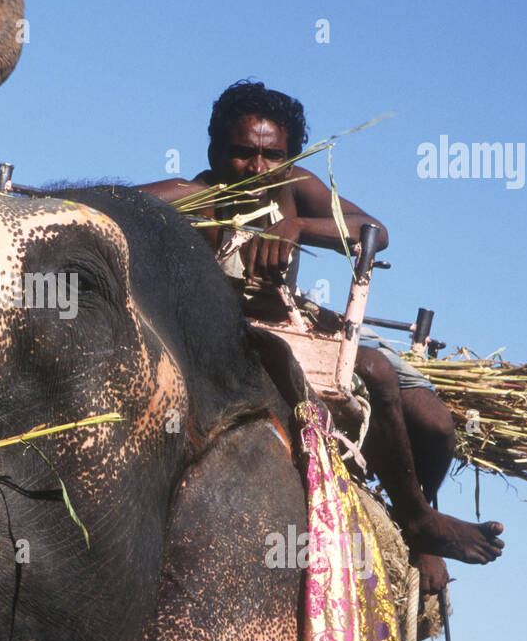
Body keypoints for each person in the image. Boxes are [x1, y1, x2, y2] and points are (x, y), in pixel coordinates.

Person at [159, 80, 504, 594]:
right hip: (239, 334)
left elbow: (375, 231)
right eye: (241, 154)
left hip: (302, 321)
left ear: (290, 156)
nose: (256, 169)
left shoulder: (294, 189)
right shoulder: (199, 197)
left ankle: (424, 512)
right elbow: (119, 205)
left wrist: (296, 226)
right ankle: (418, 521)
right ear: (214, 151)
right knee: (376, 371)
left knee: (434, 424)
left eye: (271, 156)